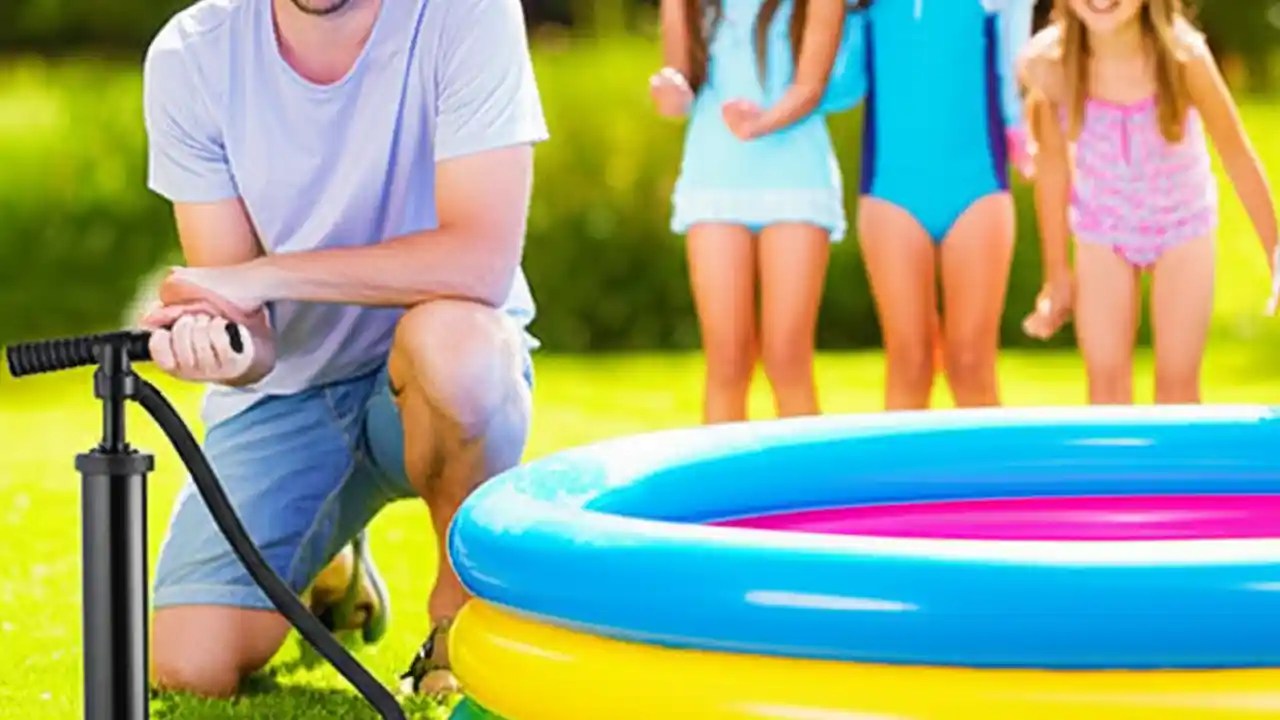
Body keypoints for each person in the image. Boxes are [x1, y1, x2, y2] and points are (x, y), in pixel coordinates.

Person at [136, 0, 547, 698]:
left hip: (435, 370)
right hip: (292, 395)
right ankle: (336, 557)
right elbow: (253, 340)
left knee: (457, 347)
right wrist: (226, 348)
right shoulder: (191, 54)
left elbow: (480, 263)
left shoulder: (466, 14)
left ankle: (457, 625)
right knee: (189, 666)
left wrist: (266, 276)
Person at [1020, 0, 1279, 404]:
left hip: (1183, 228)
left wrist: (1275, 250)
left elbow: (1237, 155)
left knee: (1177, 385)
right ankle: (1115, 470)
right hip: (1102, 230)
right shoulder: (1048, 63)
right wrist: (1057, 276)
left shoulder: (1183, 56)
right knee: (1105, 385)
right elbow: (1052, 170)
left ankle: (1176, 470)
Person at [648, 0, 853, 424]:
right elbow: (680, 85)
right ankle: (717, 491)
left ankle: (806, 490)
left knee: (788, 357)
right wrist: (669, 93)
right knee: (726, 361)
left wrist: (759, 125)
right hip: (714, 178)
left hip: (796, 177)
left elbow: (810, 87)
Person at [852, 0, 1036, 410]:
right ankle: (904, 476)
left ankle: (986, 476)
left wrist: (1024, 133)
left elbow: (1016, 66)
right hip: (890, 191)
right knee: (909, 361)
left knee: (971, 363)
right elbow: (841, 85)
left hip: (978, 187)